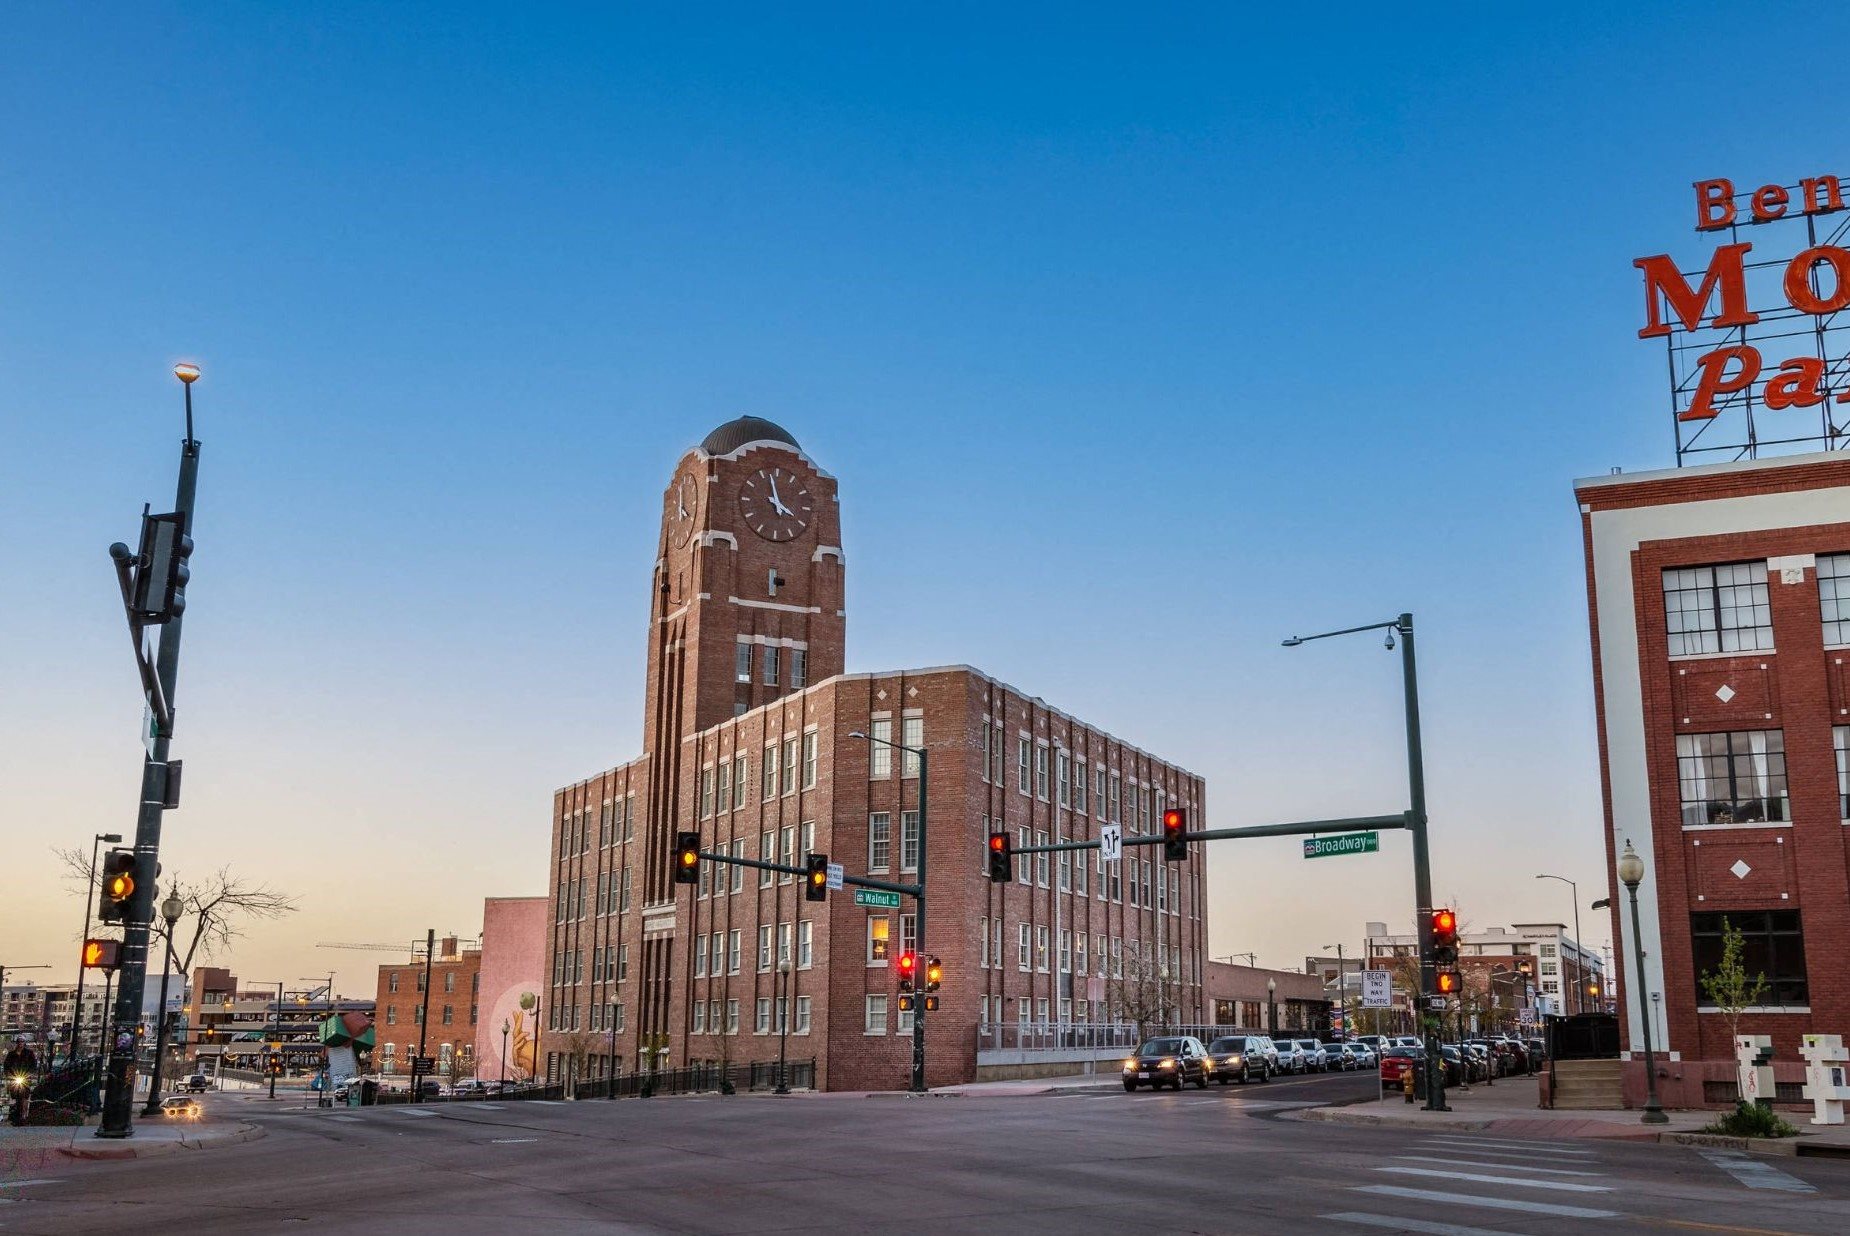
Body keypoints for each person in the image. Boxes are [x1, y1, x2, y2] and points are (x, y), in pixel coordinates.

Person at [5, 1037, 37, 1125]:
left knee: (25, 1096)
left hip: (25, 1077)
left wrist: (30, 1074)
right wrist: (9, 1074)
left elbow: (34, 1065)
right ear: (17, 1043)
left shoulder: (29, 1053)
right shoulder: (11, 1054)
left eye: (22, 1042)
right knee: (14, 1095)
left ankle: (23, 1115)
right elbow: (6, 1065)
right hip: (15, 1077)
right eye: (19, 1042)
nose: (20, 1043)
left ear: (24, 1043)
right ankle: (14, 1115)